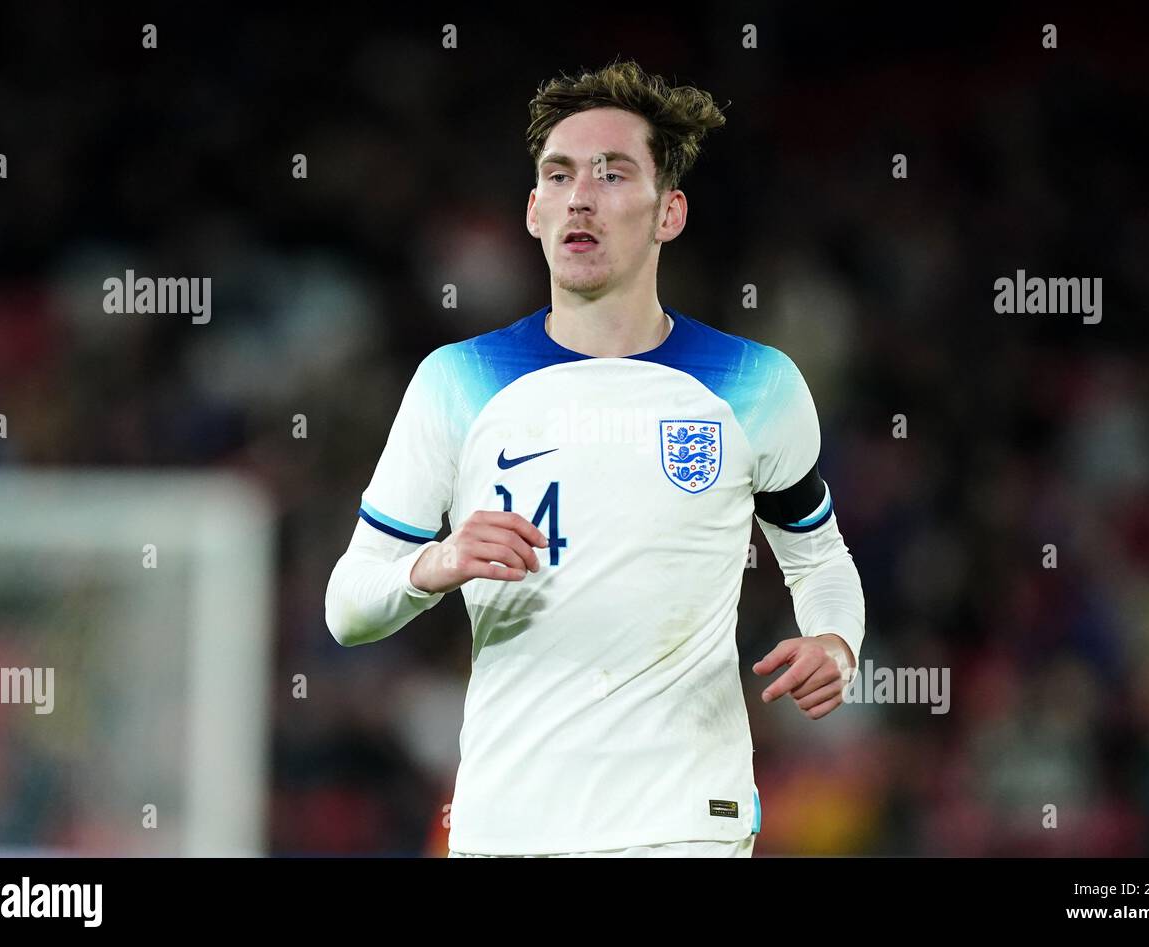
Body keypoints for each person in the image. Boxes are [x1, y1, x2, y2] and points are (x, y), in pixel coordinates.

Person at [326, 60, 866, 858]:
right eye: (559, 174)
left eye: (613, 174)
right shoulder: (454, 382)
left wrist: (836, 641)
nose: (581, 194)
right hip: (506, 826)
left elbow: (818, 557)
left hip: (685, 824)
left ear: (669, 212)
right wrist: (433, 564)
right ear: (534, 211)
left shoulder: (757, 385)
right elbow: (347, 607)